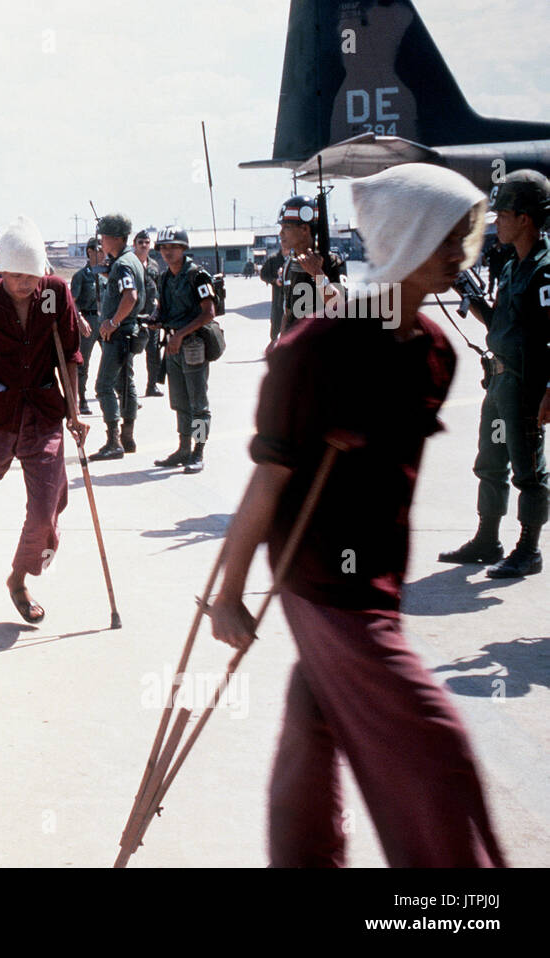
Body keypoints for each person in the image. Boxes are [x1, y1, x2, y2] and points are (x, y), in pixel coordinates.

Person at [210, 162, 506, 868]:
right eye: (444, 237)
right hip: (325, 584)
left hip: (379, 577)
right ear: (405, 238)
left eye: (464, 236)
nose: (459, 252)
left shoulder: (434, 351)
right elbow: (267, 483)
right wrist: (228, 593)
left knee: (315, 726)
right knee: (434, 746)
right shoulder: (314, 351)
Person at [0, 215, 86, 622]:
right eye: (14, 275)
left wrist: (75, 411)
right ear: (1, 269)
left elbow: (70, 356)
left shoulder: (55, 293)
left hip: (43, 412)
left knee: (47, 507)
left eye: (31, 275)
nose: (24, 283)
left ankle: (18, 577)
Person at [439, 169, 550, 578]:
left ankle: (529, 549)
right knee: (490, 462)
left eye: (502, 214)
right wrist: (467, 293)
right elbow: (500, 325)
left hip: (525, 387)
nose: (497, 222)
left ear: (525, 218)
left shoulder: (544, 271)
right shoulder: (511, 266)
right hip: (501, 383)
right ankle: (488, 539)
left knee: (529, 471)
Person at [151, 228, 216, 474]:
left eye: (173, 247)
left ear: (183, 248)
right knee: (179, 402)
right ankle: (183, 448)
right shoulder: (165, 277)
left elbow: (208, 313)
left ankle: (198, 451)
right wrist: (156, 319)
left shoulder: (197, 276)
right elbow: (163, 309)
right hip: (173, 345)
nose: (167, 252)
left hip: (193, 345)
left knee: (198, 404)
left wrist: (180, 334)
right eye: (163, 248)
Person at [91, 214, 146, 459]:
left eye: (104, 236)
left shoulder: (123, 264)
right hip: (128, 332)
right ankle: (128, 437)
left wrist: (113, 322)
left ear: (115, 237)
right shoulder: (130, 260)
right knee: (125, 383)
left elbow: (130, 296)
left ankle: (113, 442)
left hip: (119, 334)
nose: (101, 241)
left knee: (104, 386)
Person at [275, 195, 346, 337]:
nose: (281, 233)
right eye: (281, 227)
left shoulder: (332, 262)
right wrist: (281, 342)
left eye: (287, 227)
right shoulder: (290, 264)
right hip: (297, 345)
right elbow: (288, 312)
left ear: (304, 229)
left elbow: (340, 307)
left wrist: (318, 274)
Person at [70, 238, 102, 414]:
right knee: (83, 363)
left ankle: (114, 394)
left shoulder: (107, 274)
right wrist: (80, 319)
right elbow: (72, 301)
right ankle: (82, 399)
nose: (103, 254)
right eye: (99, 250)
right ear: (90, 252)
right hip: (88, 320)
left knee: (114, 358)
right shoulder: (81, 276)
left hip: (105, 321)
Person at [133, 229, 163, 396]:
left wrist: (158, 308)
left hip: (151, 315)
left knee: (153, 352)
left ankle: (152, 386)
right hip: (133, 315)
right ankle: (125, 388)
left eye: (147, 242)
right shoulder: (128, 264)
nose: (144, 245)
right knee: (128, 353)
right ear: (134, 245)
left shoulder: (154, 265)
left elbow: (158, 288)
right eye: (140, 242)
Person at [259, 248, 287, 342]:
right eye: (283, 241)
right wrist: (274, 281)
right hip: (278, 298)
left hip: (294, 298)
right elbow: (263, 274)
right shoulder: (273, 259)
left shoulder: (296, 258)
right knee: (276, 323)